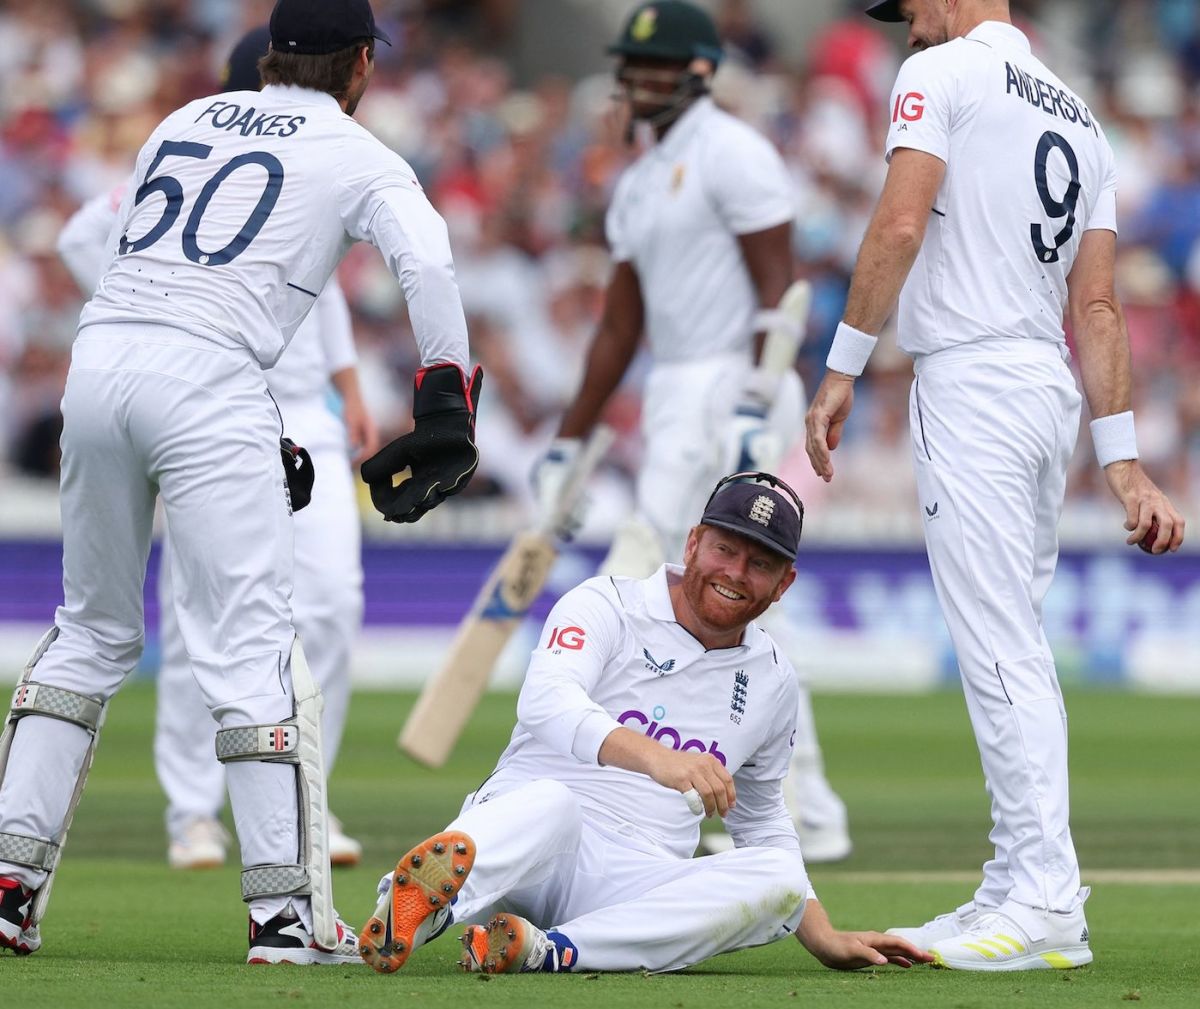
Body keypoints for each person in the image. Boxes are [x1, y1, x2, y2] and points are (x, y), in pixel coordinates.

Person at [0, 0, 481, 965]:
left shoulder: (183, 120)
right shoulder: (354, 149)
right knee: (250, 648)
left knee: (89, 629)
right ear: (360, 64)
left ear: (268, 58)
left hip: (99, 365)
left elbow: (134, 256)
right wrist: (444, 398)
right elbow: (425, 254)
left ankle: (9, 883)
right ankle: (286, 916)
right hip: (211, 382)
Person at [804, 0, 1187, 972]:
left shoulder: (942, 75)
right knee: (1017, 641)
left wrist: (843, 367)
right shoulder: (1081, 113)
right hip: (1045, 389)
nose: (904, 30)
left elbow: (899, 221)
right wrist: (1122, 460)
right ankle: (1017, 878)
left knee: (1000, 647)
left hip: (972, 379)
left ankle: (1045, 900)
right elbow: (1095, 305)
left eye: (907, 10)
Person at [357, 472, 930, 975]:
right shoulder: (606, 603)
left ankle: (549, 950)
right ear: (693, 543)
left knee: (779, 877)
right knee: (553, 804)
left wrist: (822, 935)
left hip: (633, 880)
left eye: (760, 564)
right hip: (531, 849)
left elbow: (760, 818)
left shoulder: (774, 678)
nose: (735, 573)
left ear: (785, 584)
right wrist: (658, 758)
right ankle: (422, 907)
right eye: (725, 549)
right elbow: (546, 700)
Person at [535, 0, 851, 864]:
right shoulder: (639, 181)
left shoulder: (734, 151)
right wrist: (568, 440)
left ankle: (776, 806)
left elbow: (779, 288)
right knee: (693, 601)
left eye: (657, 66)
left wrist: (758, 392)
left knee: (693, 588)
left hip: (737, 382)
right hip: (676, 392)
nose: (637, 81)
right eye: (631, 66)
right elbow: (618, 328)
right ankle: (796, 804)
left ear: (701, 71)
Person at [54, 26, 376, 872]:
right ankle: (193, 810)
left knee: (331, 604)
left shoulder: (325, 157)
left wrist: (348, 383)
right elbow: (85, 236)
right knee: (198, 611)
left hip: (302, 407)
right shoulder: (205, 147)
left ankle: (310, 795)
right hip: (207, 395)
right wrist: (156, 314)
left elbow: (328, 282)